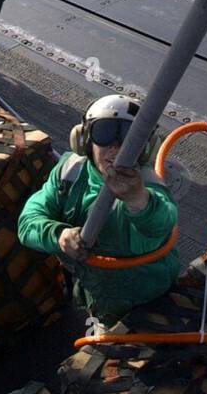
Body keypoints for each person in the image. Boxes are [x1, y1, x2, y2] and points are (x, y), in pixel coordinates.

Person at [18, 94, 179, 326]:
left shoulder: (148, 187)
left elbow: (161, 223)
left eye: (128, 137)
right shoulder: (70, 172)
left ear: (144, 147)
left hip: (148, 299)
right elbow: (28, 222)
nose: (116, 147)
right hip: (95, 293)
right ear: (85, 140)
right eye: (104, 132)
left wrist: (137, 199)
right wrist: (58, 235)